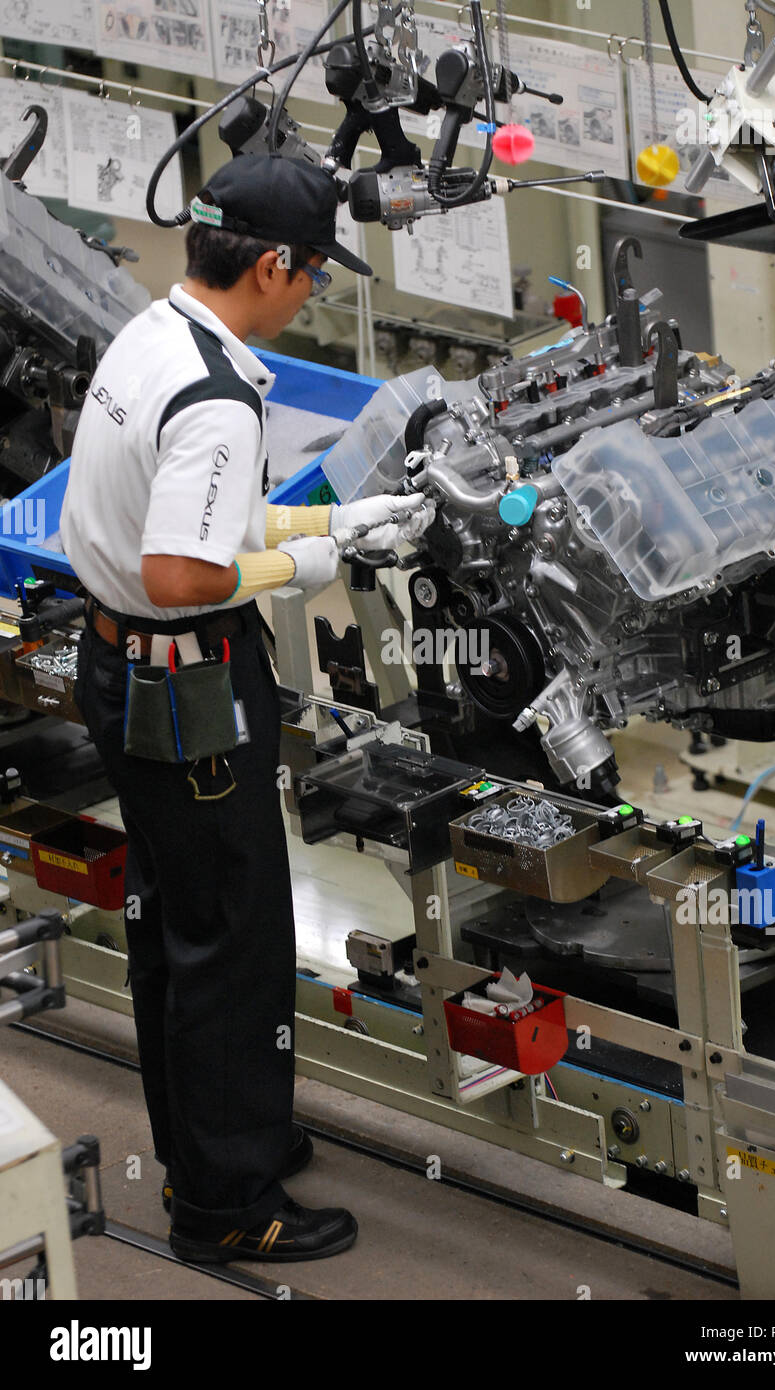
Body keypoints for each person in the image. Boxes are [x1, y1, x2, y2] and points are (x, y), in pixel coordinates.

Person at [61, 153, 431, 1264]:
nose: (311, 291)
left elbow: (186, 520)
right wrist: (307, 565)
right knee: (235, 941)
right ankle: (227, 1204)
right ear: (271, 263)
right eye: (313, 273)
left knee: (179, 924)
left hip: (119, 660)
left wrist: (328, 523)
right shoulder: (217, 401)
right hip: (189, 687)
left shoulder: (154, 336)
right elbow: (182, 572)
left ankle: (211, 1137)